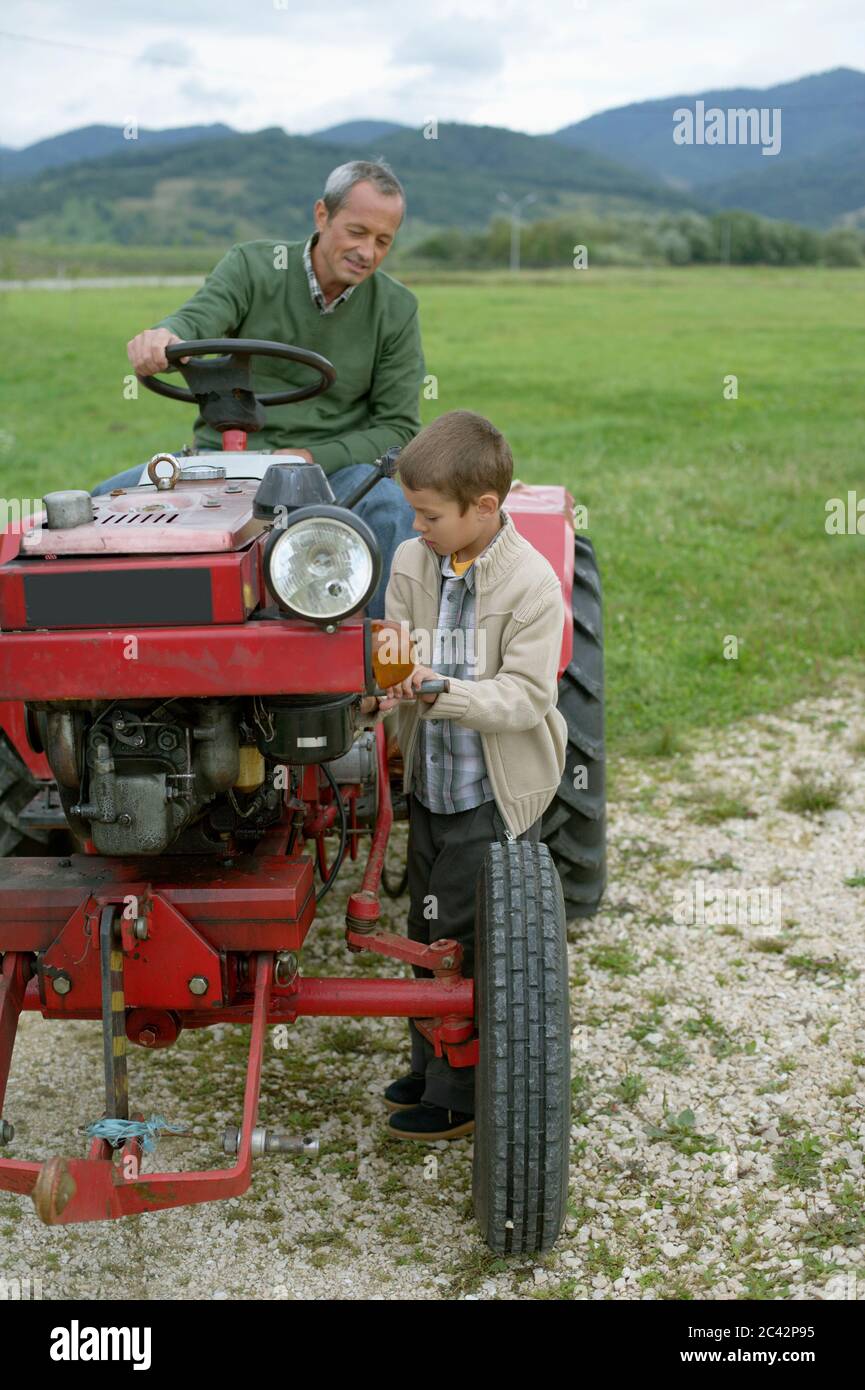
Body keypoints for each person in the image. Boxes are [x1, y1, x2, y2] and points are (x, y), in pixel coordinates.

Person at [93, 159, 423, 620]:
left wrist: (309, 458)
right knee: (94, 510)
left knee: (390, 510)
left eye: (383, 241)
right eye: (357, 232)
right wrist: (166, 336)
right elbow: (199, 316)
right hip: (220, 460)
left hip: (328, 471)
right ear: (322, 215)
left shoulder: (396, 308)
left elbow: (398, 429)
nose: (367, 251)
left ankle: (378, 664)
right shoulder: (252, 266)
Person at [361, 409, 568, 1140]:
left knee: (466, 940)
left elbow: (527, 697)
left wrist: (437, 691)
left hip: (489, 794)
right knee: (423, 924)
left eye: (427, 516)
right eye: (413, 514)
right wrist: (382, 688)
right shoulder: (415, 562)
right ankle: (429, 1059)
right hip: (433, 785)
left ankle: (462, 1093)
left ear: (484, 508)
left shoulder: (531, 585)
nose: (415, 528)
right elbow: (395, 644)